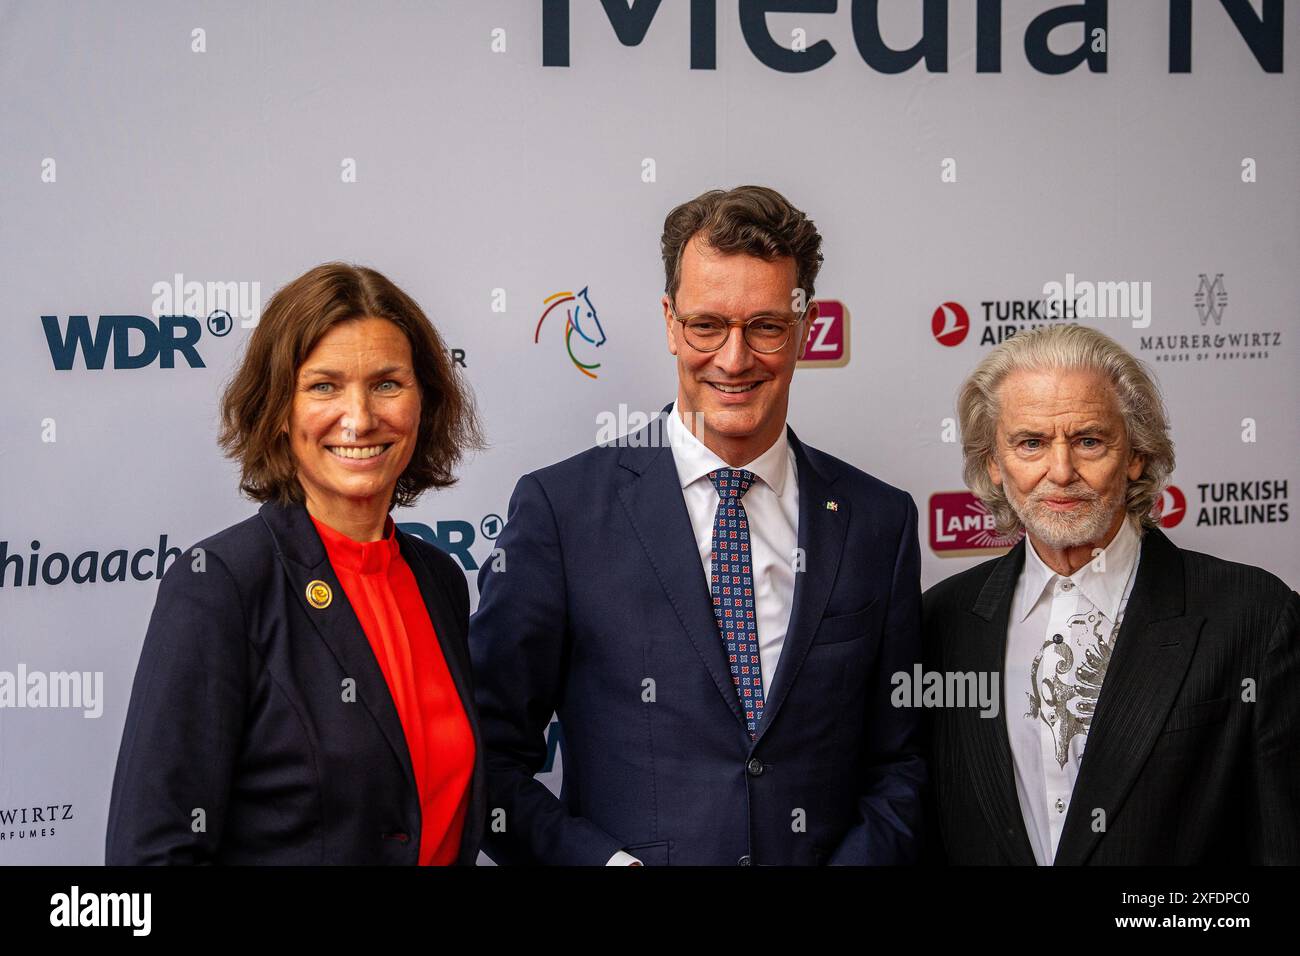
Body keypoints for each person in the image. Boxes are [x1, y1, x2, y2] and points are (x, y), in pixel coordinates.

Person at [470, 185, 924, 865]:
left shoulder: (876, 522)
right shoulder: (562, 512)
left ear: (804, 326)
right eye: (707, 325)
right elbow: (485, 760)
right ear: (670, 322)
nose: (734, 359)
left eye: (766, 326)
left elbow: (903, 765)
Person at [106, 262, 487, 864]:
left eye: (387, 383)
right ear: (278, 409)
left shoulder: (439, 581)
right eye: (324, 386)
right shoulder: (220, 586)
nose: (360, 418)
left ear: (425, 402)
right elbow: (153, 853)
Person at [923, 324, 1299, 865]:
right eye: (1030, 443)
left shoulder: (1253, 616)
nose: (1061, 471)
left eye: (1089, 441)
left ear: (1136, 455)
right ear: (993, 464)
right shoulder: (941, 623)